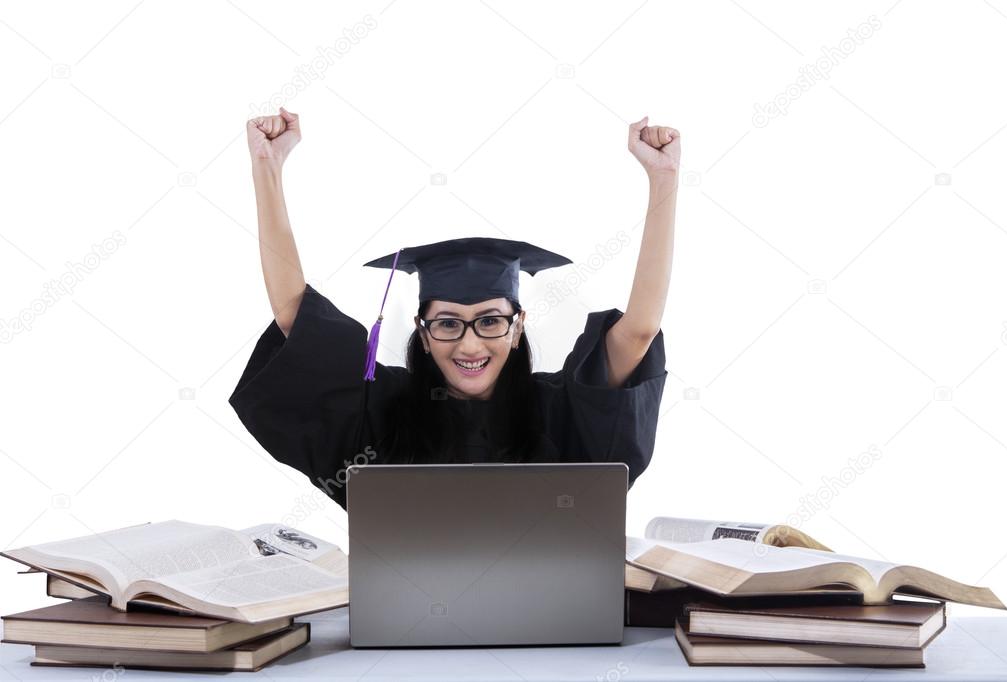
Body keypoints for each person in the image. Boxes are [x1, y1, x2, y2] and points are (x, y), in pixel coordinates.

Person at [229, 107, 680, 511]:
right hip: (405, 605)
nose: (469, 343)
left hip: (547, 607)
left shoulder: (560, 410)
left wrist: (664, 179)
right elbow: (294, 312)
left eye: (489, 321)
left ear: (517, 326)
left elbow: (639, 331)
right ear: (422, 332)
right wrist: (266, 167)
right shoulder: (383, 410)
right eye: (447, 323)